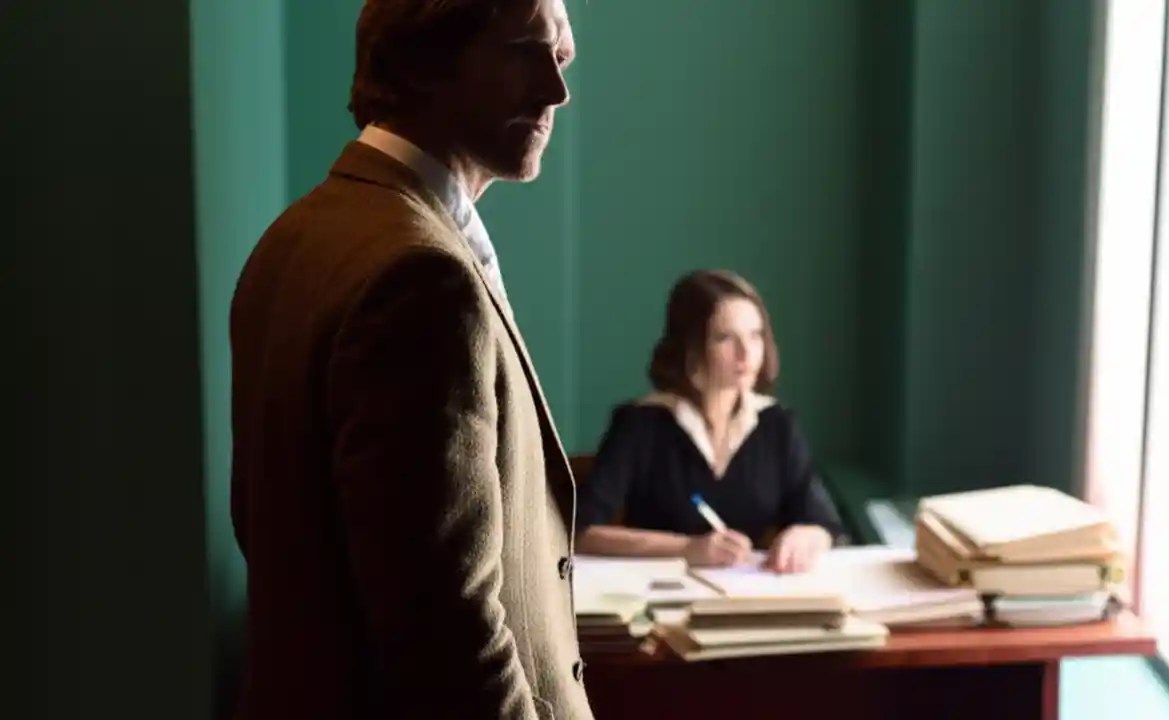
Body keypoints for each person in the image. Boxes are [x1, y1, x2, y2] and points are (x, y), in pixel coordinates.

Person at [228, 1, 593, 718]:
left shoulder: (297, 235)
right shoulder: (420, 277)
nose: (556, 92)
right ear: (425, 60)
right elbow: (448, 639)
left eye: (564, 59)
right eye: (526, 50)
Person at [575, 270, 848, 574]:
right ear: (691, 347)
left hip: (747, 598)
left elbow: (824, 523)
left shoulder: (776, 423)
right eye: (725, 338)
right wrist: (687, 549)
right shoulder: (640, 423)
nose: (747, 353)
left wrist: (809, 535)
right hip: (659, 598)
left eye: (755, 335)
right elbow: (584, 534)